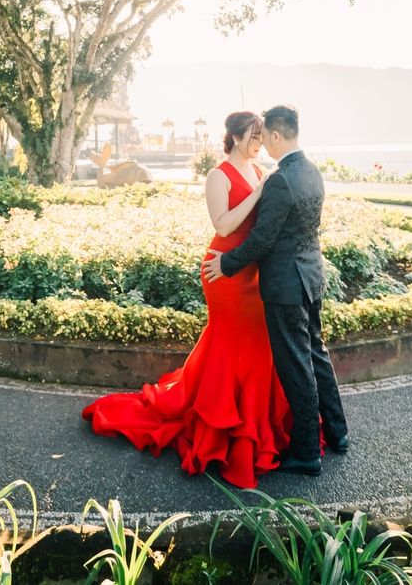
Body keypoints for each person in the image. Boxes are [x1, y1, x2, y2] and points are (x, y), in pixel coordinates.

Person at [82, 110, 300, 488]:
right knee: (232, 344)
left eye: (261, 136)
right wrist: (261, 194)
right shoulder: (219, 175)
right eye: (253, 135)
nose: (259, 142)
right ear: (233, 136)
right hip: (223, 271)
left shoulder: (260, 172)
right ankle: (224, 429)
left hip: (252, 270)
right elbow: (223, 223)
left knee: (258, 348)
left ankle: (256, 425)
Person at [203, 104, 348, 477]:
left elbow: (263, 238)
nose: (262, 142)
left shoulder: (281, 178)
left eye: (265, 135)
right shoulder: (311, 171)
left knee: (296, 366)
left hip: (285, 284)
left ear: (278, 136)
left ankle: (306, 454)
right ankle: (337, 432)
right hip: (311, 277)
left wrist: (227, 264)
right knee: (317, 355)